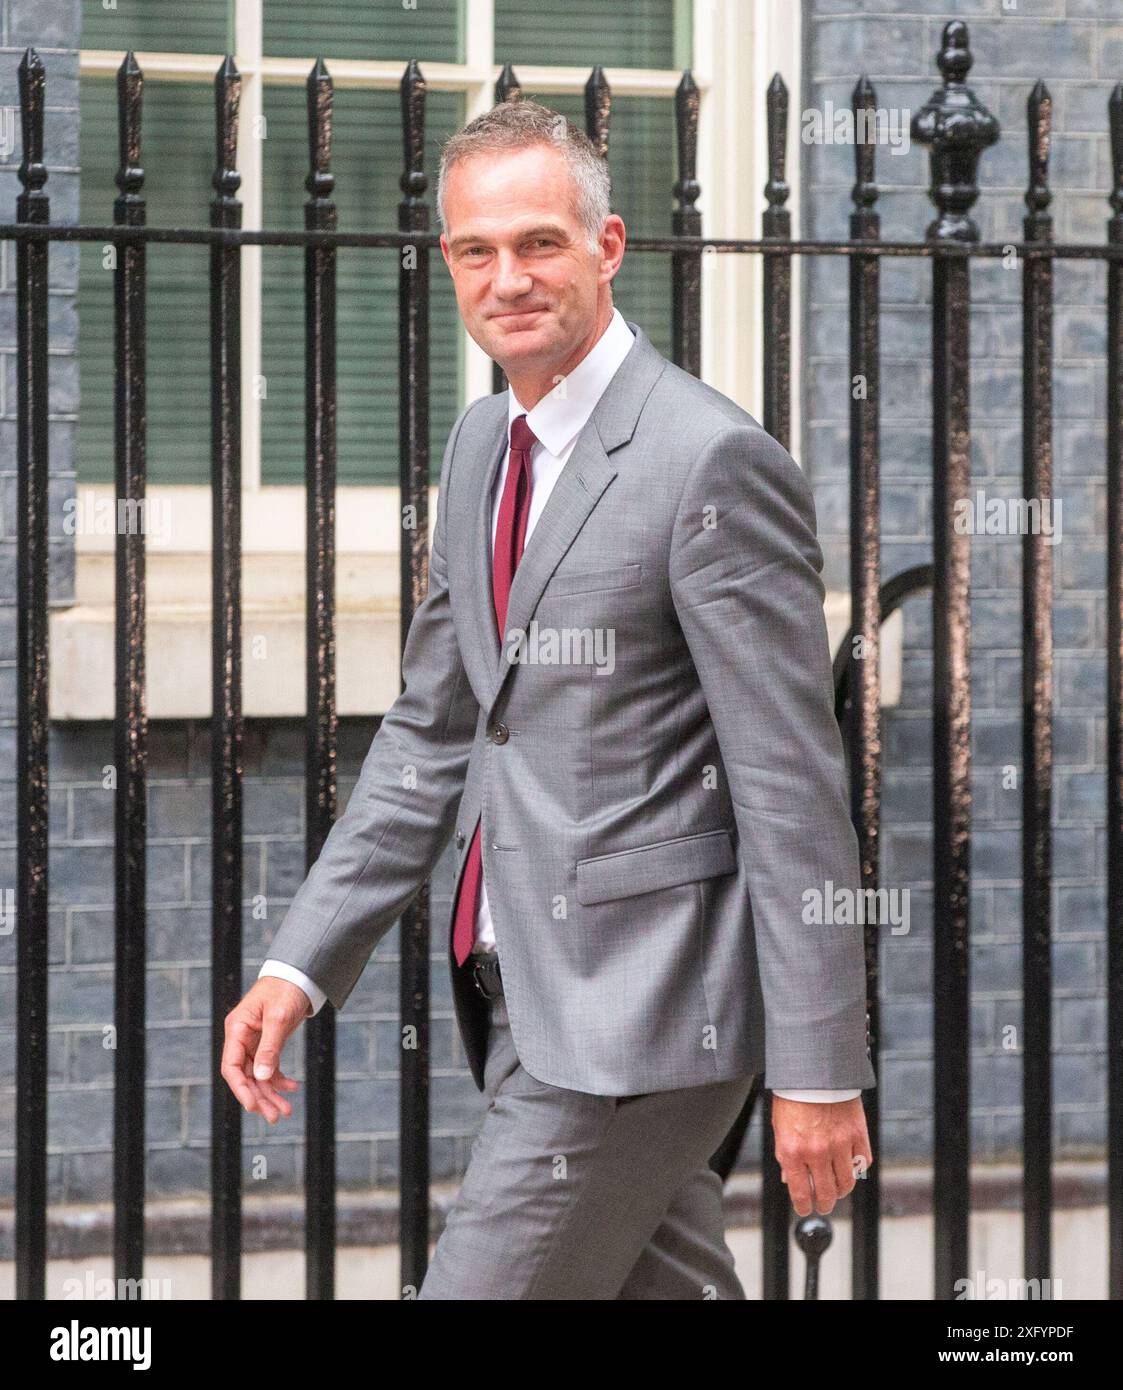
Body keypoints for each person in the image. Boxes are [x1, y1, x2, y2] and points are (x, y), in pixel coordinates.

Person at [221, 98, 875, 1299]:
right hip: (523, 998)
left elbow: (790, 785)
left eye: (539, 243)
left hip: (644, 1023)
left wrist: (818, 1067)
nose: (508, 278)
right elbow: (433, 732)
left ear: (606, 245)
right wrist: (301, 960)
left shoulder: (708, 461)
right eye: (477, 250)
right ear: (448, 262)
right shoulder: (481, 445)